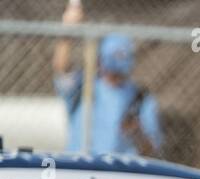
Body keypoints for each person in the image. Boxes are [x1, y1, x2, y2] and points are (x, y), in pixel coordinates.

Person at [52, 1, 163, 156]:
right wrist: (68, 32)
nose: (118, 60)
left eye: (122, 55)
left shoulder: (141, 98)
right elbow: (62, 68)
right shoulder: (84, 87)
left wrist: (137, 133)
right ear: (100, 58)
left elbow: (152, 149)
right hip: (80, 168)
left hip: (119, 175)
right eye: (114, 55)